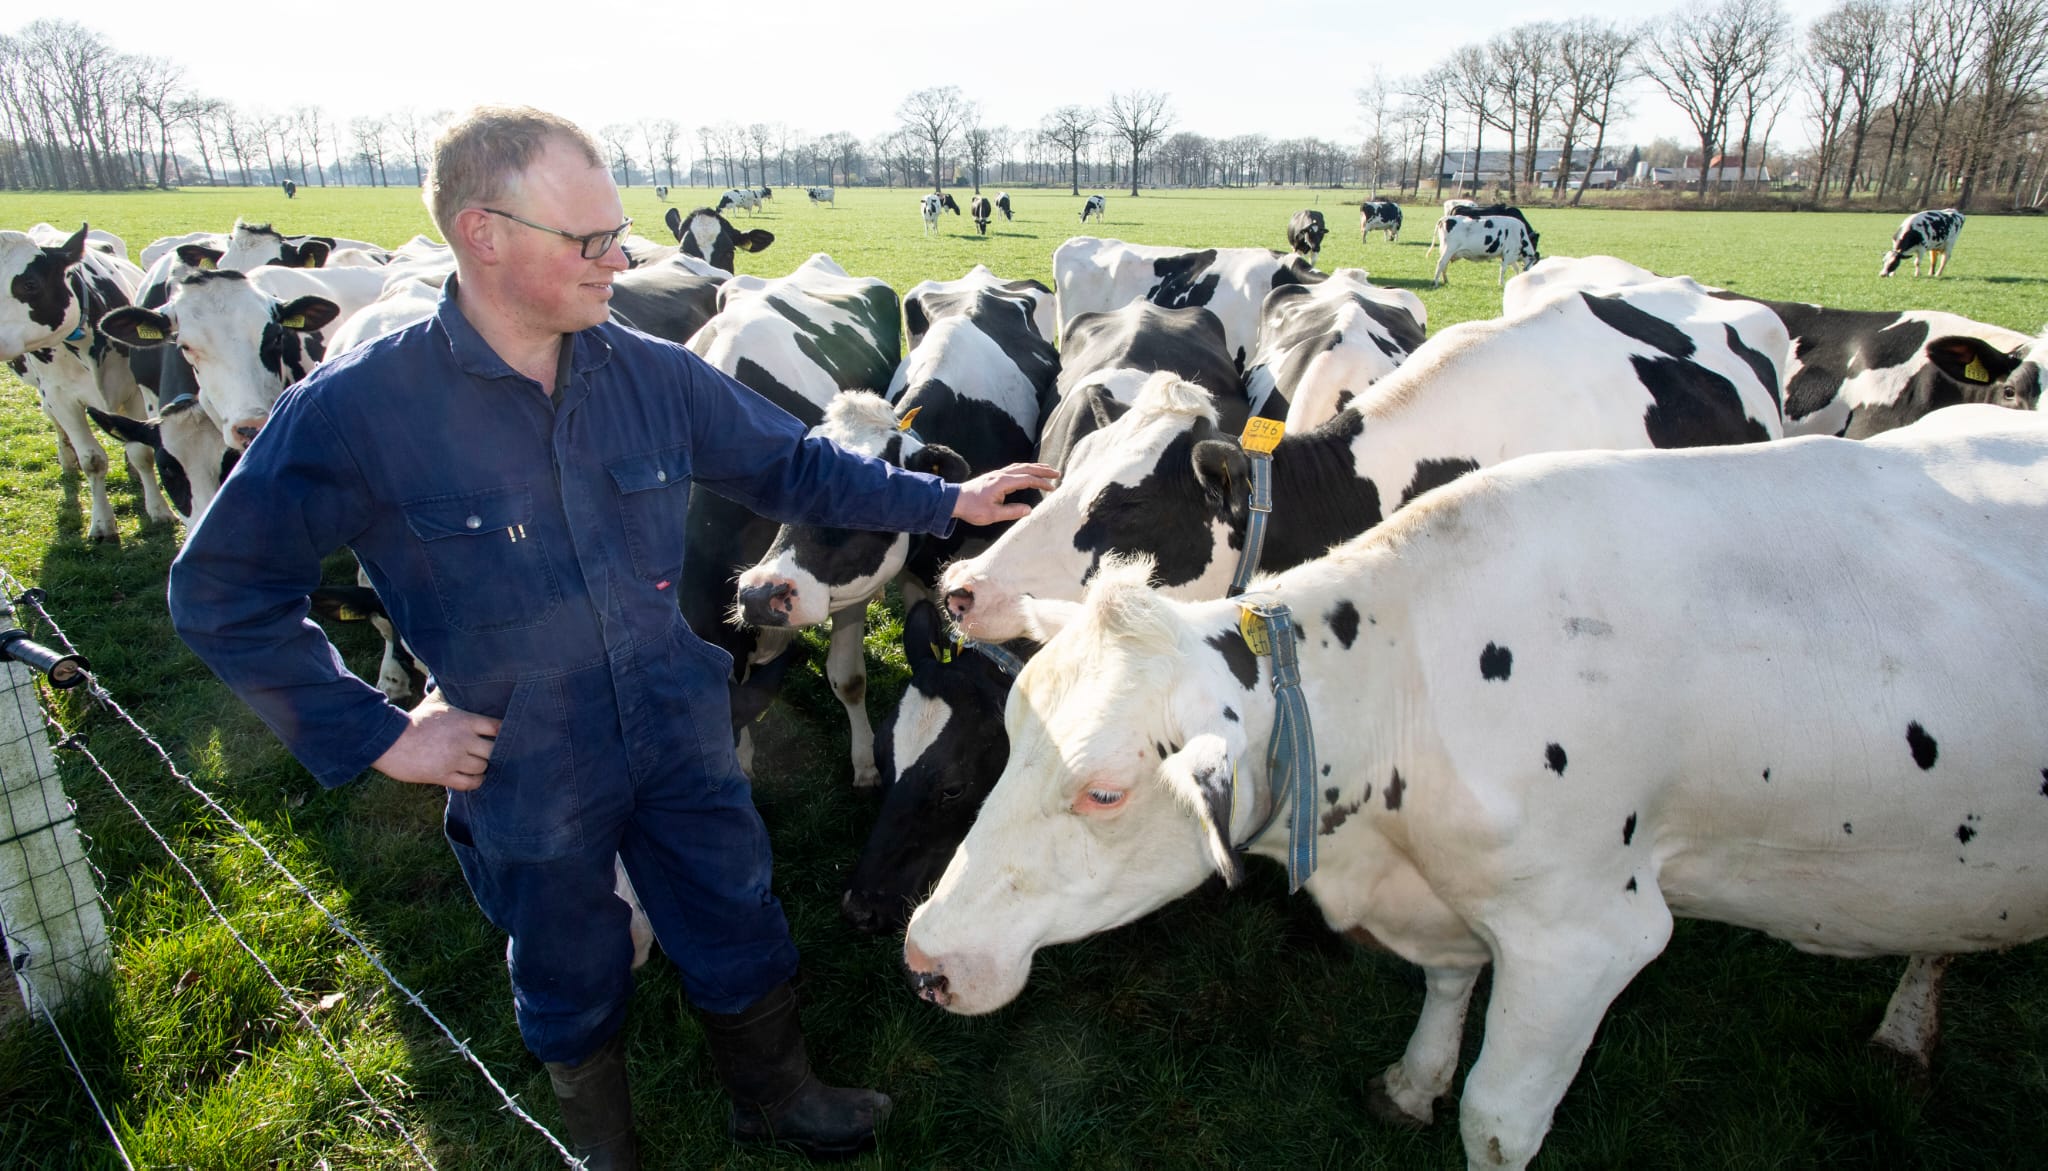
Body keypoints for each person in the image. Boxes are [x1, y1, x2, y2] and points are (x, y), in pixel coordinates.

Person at [168, 106, 1057, 1168]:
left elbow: (797, 468)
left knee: (733, 905)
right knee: (569, 957)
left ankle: (774, 1096)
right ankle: (603, 1147)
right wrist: (377, 734)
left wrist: (947, 504)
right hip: (523, 751)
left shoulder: (648, 372)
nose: (621, 258)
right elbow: (221, 590)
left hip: (680, 711)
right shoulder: (358, 410)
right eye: (588, 240)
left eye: (617, 232)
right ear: (482, 233)